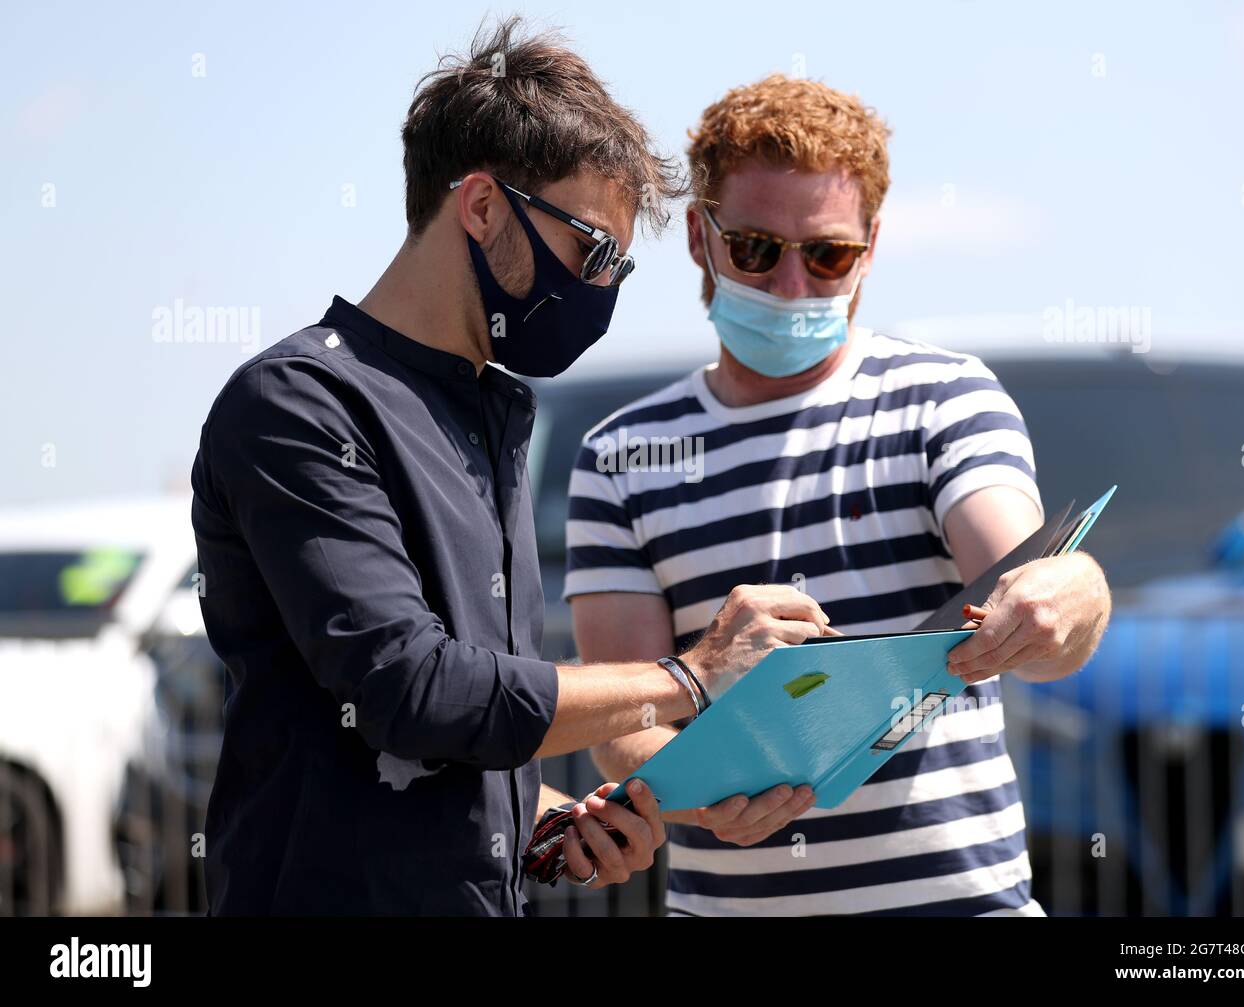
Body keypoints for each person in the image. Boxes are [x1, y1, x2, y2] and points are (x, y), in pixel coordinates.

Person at [190, 19, 828, 917]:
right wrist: (693, 674)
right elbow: (413, 688)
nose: (600, 289)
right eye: (591, 252)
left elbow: (456, 738)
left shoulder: (491, 414)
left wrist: (542, 820)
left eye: (620, 267)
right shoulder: (300, 402)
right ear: (482, 207)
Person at [566, 74, 1113, 916]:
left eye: (826, 255)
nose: (791, 286)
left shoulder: (946, 397)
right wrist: (691, 792)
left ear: (871, 246)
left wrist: (1072, 593)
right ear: (698, 239)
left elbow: (1027, 593)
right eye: (754, 248)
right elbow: (623, 705)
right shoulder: (622, 454)